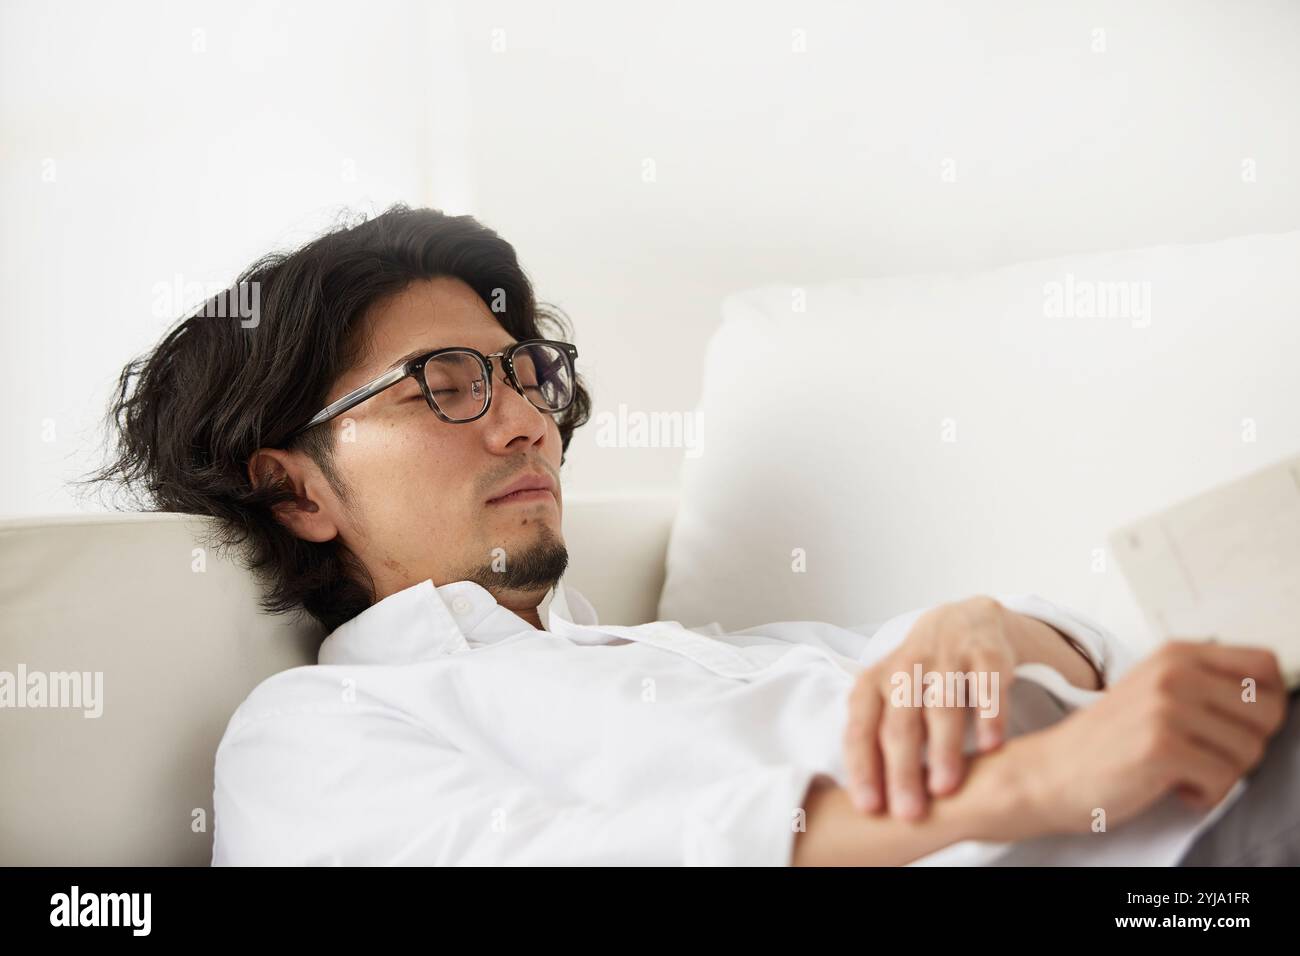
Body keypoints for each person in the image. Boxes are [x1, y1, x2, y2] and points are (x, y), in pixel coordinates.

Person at [92, 204, 1295, 865]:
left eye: (524, 375)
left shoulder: (702, 650)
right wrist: (1031, 785)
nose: (525, 424)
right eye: (445, 384)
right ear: (297, 487)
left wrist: (986, 623)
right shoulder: (317, 727)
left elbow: (1073, 657)